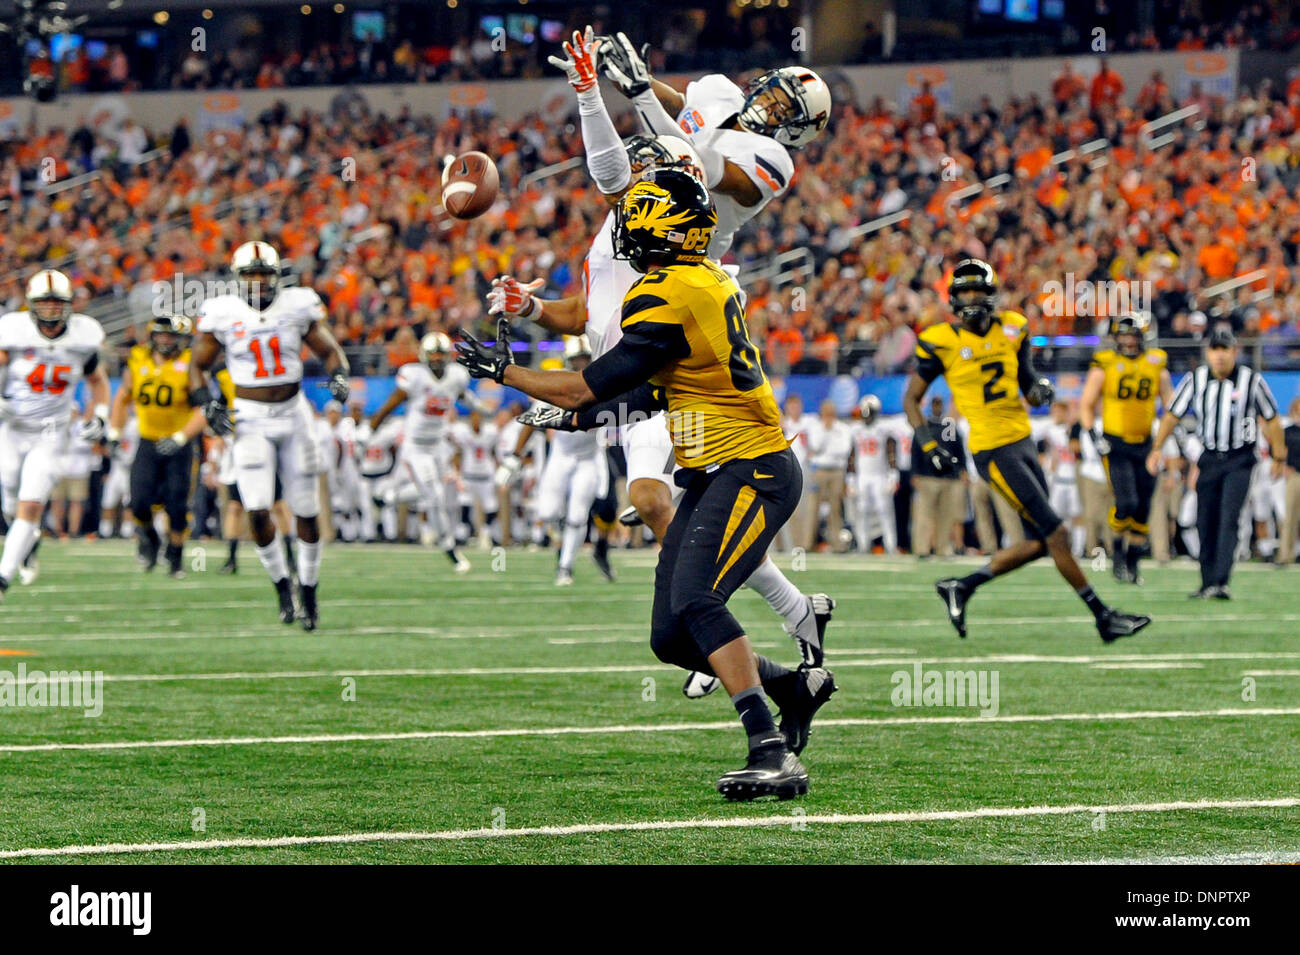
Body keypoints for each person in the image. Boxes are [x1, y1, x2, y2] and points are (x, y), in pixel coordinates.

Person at [457, 169, 834, 801]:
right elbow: (651, 390)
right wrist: (573, 415)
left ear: (662, 228)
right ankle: (791, 686)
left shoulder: (669, 291)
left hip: (753, 468)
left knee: (697, 601)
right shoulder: (701, 280)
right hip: (719, 469)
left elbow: (590, 382)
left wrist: (506, 372)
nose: (626, 226)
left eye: (637, 216)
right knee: (669, 636)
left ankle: (769, 749)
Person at [905, 259, 1151, 642]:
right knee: (1056, 532)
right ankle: (1103, 617)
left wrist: (1041, 391)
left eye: (978, 290)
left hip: (1021, 441)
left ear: (990, 295)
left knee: (1041, 543)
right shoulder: (941, 341)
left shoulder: (1013, 327)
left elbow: (1027, 382)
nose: (971, 298)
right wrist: (929, 443)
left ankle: (962, 586)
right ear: (954, 298)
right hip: (992, 449)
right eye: (965, 291)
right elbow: (911, 400)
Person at [189, 241, 350, 630]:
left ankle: (309, 590)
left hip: (294, 415)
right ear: (238, 279)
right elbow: (197, 367)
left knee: (306, 509)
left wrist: (339, 374)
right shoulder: (222, 313)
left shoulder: (297, 305)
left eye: (264, 275)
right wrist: (207, 404)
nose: (258, 282)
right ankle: (281, 586)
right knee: (257, 507)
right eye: (251, 275)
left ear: (277, 277)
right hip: (249, 417)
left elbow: (330, 351)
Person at [1148, 328, 1286, 598]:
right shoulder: (1195, 379)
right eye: (1215, 349)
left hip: (1240, 459)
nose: (1219, 355)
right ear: (1207, 353)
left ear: (1234, 351)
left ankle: (1220, 581)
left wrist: (1279, 455)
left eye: (1225, 349)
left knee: (1229, 518)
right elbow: (1172, 415)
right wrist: (1156, 448)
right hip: (1209, 458)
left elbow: (1271, 418)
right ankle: (1207, 581)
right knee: (1204, 519)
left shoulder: (1251, 381)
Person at [0, 269, 110, 600]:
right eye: (44, 301)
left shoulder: (84, 337)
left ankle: (3, 577)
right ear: (31, 304)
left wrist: (101, 415)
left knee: (30, 504)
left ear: (68, 304)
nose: (50, 307)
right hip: (12, 429)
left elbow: (98, 381)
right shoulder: (13, 331)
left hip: (52, 433)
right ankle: (27, 542)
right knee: (9, 499)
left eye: (56, 301)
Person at [360, 332, 475, 573]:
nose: (436, 358)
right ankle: (450, 548)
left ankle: (385, 498)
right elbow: (390, 405)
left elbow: (465, 397)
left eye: (441, 353)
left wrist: (482, 409)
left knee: (436, 493)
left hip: (438, 445)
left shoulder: (456, 376)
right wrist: (369, 429)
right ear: (424, 355)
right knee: (434, 496)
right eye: (433, 353)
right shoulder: (415, 375)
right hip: (416, 446)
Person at [110, 314, 207, 578]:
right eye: (161, 334)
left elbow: (203, 410)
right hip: (148, 440)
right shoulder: (138, 359)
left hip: (180, 445)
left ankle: (175, 557)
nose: (165, 340)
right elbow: (122, 398)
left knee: (177, 505)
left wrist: (180, 438)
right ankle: (150, 538)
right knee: (138, 503)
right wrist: (114, 431)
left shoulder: (190, 364)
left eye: (170, 335)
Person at [1079, 312, 1173, 584]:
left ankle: (1133, 562)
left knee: (1143, 508)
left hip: (1146, 444)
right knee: (1126, 502)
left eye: (1133, 336)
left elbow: (1170, 405)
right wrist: (1092, 434)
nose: (1129, 341)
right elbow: (1086, 403)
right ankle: (1119, 553)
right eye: (1124, 336)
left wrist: (1170, 433)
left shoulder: (1156, 364)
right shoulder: (1104, 364)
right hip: (1115, 443)